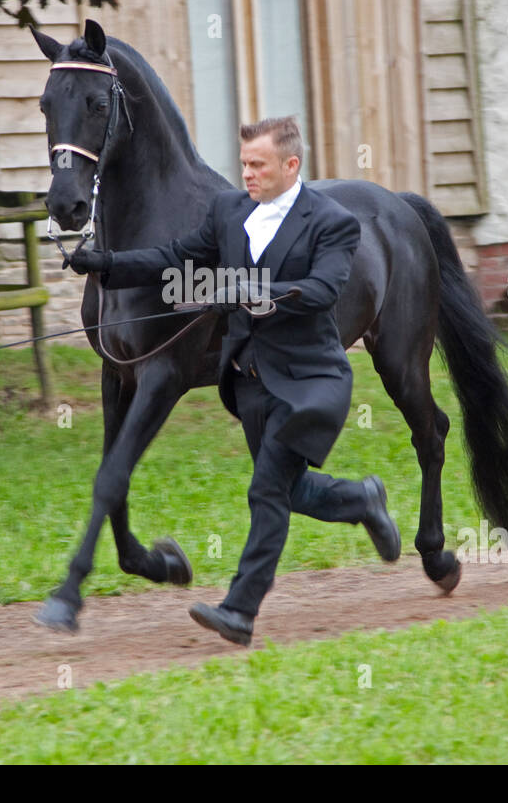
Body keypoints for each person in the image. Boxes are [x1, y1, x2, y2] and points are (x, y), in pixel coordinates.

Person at [67, 115, 400, 646]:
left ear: (291, 165)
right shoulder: (228, 211)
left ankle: (239, 612)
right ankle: (362, 500)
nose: (247, 174)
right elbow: (173, 258)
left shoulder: (332, 222)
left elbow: (321, 290)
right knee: (291, 490)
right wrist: (105, 264)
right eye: (243, 163)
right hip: (251, 379)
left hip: (310, 378)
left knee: (266, 491)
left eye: (258, 165)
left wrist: (249, 289)